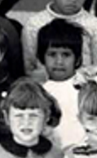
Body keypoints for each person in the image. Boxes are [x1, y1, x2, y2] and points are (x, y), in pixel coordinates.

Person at [35, 18, 88, 149]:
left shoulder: (86, 89)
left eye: (66, 55)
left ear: (77, 58)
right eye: (52, 54)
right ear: (42, 57)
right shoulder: (39, 92)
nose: (59, 61)